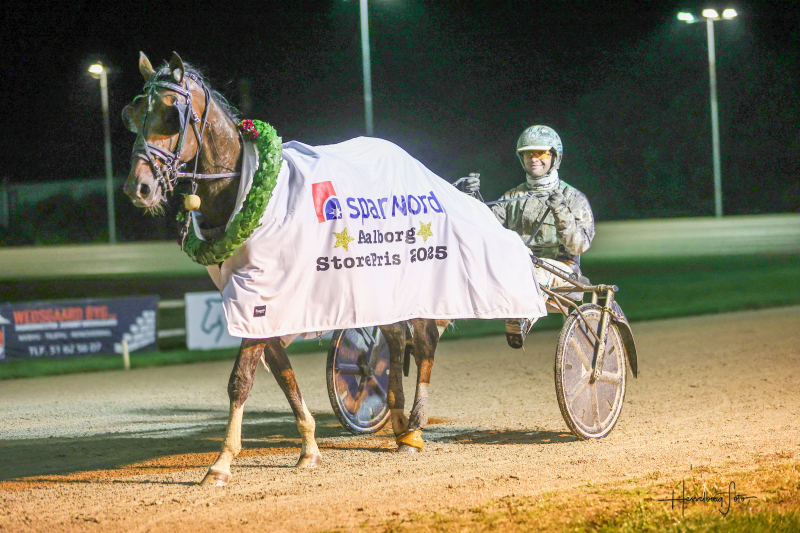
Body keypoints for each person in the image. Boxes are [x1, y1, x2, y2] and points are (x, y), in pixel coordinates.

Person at [457, 125, 595, 348]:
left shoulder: (573, 197)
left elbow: (579, 245)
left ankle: (520, 316)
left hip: (563, 272)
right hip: (520, 268)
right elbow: (484, 230)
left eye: (540, 153)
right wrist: (469, 199)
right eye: (528, 154)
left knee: (533, 271)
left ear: (555, 157)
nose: (534, 159)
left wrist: (561, 211)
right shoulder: (513, 196)